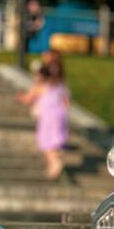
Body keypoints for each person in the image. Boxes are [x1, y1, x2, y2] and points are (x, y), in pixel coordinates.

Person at [17, 51, 70, 180]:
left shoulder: (43, 84)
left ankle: (55, 164)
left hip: (48, 115)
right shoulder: (60, 84)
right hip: (59, 114)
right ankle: (52, 166)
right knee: (53, 142)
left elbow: (30, 97)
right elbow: (66, 102)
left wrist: (21, 98)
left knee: (46, 141)